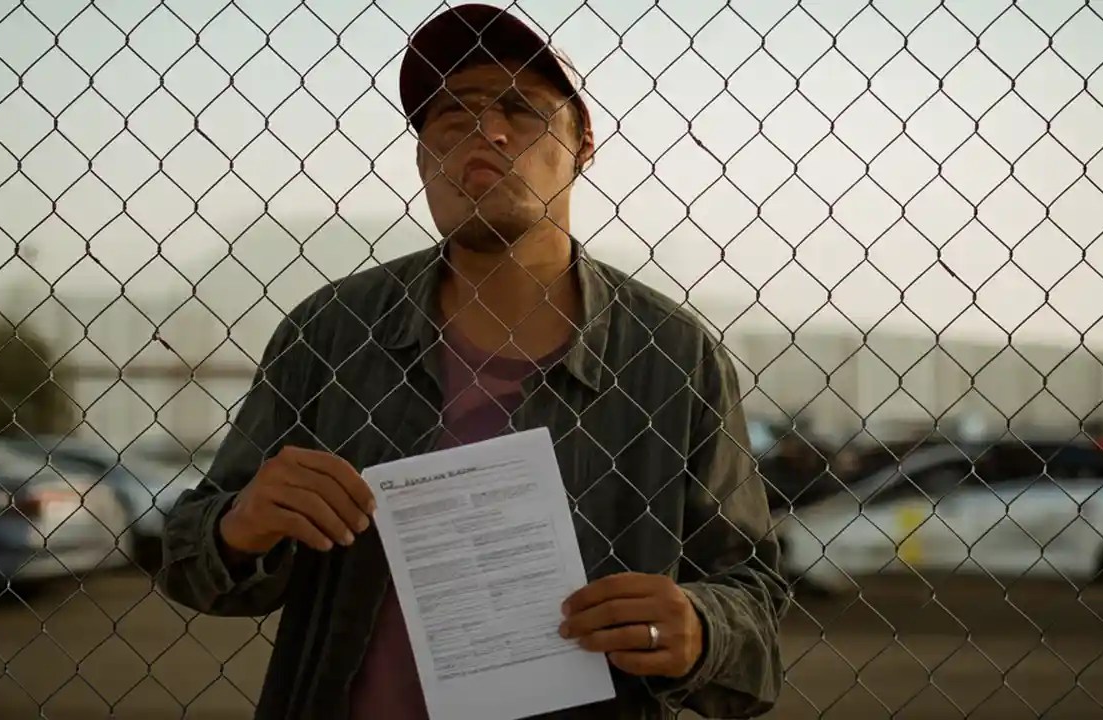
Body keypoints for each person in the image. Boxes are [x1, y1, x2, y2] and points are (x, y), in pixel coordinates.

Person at [160, 4, 786, 719]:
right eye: (451, 116)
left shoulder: (672, 357)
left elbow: (754, 595)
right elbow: (191, 570)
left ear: (584, 145)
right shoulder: (330, 335)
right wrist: (242, 526)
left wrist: (701, 631)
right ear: (425, 157)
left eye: (519, 110)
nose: (484, 131)